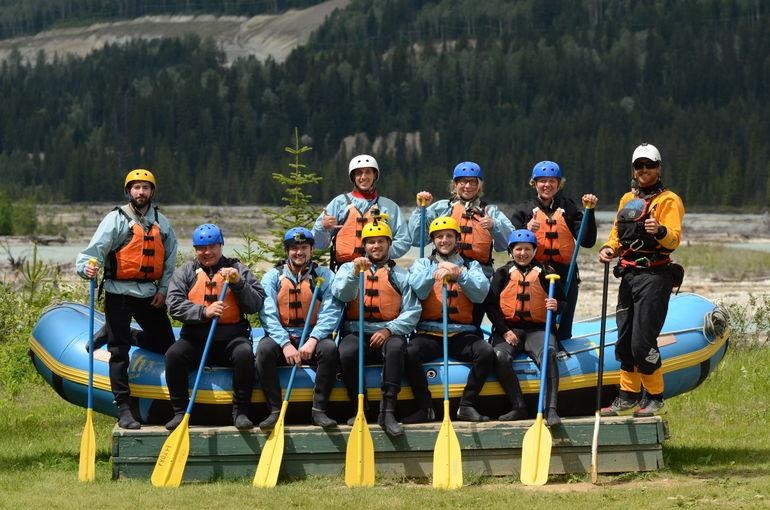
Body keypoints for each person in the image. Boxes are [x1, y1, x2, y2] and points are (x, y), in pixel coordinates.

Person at [76, 169, 177, 430]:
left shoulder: (162, 223)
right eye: (136, 187)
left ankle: (121, 331)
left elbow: (169, 261)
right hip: (118, 293)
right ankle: (124, 407)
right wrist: (86, 268)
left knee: (166, 344)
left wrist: (163, 290)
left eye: (145, 187)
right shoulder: (115, 220)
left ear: (152, 192)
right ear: (128, 191)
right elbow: (92, 253)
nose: (141, 192)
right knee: (118, 353)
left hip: (148, 294)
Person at [598, 143, 685, 417]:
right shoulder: (627, 199)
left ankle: (655, 396)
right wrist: (609, 249)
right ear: (633, 170)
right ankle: (627, 396)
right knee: (623, 340)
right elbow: (617, 233)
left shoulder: (669, 200)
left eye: (649, 165)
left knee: (642, 342)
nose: (644, 170)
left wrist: (659, 230)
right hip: (629, 274)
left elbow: (673, 239)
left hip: (655, 275)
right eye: (639, 166)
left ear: (658, 168)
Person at [164, 224, 265, 430]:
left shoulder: (237, 269)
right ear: (195, 250)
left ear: (221, 246)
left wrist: (238, 284)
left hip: (231, 338)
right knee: (173, 355)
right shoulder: (186, 271)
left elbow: (256, 304)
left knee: (244, 353)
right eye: (201, 248)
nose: (207, 252)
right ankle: (180, 412)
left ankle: (240, 412)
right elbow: (173, 303)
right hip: (196, 338)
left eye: (212, 247)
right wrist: (203, 312)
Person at [330, 221, 421, 436]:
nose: (376, 246)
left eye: (381, 241)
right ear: (365, 245)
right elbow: (341, 294)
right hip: (356, 330)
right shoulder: (348, 268)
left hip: (389, 330)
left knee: (396, 348)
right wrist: (354, 273)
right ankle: (359, 407)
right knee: (347, 351)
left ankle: (387, 411)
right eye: (371, 242)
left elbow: (412, 311)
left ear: (389, 244)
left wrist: (389, 330)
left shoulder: (401, 274)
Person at [404, 216, 494, 423]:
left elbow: (480, 294)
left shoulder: (471, 266)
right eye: (439, 237)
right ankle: (425, 407)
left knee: (486, 352)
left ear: (457, 239)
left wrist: (460, 274)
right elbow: (417, 288)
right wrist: (435, 272)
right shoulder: (422, 264)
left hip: (462, 333)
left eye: (449, 236)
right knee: (408, 353)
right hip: (429, 333)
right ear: (433, 241)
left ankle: (467, 405)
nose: (444, 240)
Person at [255, 227, 342, 431]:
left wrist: (313, 339)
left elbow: (331, 312)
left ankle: (319, 410)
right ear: (287, 251)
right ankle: (275, 411)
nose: (299, 252)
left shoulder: (324, 276)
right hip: (283, 336)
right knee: (264, 350)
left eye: (304, 247)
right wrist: (285, 343)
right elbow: (267, 314)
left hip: (313, 336)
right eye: (294, 248)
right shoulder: (272, 277)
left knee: (329, 350)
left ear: (312, 249)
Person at [510, 161, 598, 344]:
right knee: (537, 320)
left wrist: (590, 212)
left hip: (566, 274)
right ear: (534, 183)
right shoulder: (523, 210)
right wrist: (525, 229)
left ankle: (563, 352)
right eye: (542, 181)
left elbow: (587, 241)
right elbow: (512, 247)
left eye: (552, 181)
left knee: (564, 324)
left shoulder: (569, 208)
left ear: (559, 184)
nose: (547, 185)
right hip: (536, 273)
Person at [484, 229, 566, 426]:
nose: (523, 253)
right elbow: (491, 307)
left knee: (548, 353)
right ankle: (518, 406)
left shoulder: (547, 273)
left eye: (527, 249)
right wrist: (505, 330)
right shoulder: (502, 274)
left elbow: (563, 302)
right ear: (511, 251)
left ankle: (551, 409)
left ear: (534, 250)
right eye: (518, 249)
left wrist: (557, 306)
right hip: (510, 329)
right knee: (499, 356)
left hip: (537, 330)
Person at [411, 161, 514, 278]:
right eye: (463, 181)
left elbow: (511, 243)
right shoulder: (442, 209)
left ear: (479, 185)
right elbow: (417, 240)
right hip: (444, 269)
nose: (468, 186)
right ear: (455, 184)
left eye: (473, 182)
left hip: (481, 274)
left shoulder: (490, 212)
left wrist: (495, 225)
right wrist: (421, 210)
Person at [312, 154, 410, 269]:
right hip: (344, 270)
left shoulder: (388, 207)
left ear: (375, 175)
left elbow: (404, 240)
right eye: (359, 173)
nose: (363, 177)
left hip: (378, 269)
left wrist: (383, 253)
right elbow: (318, 244)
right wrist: (323, 227)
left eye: (368, 172)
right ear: (353, 177)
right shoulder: (339, 203)